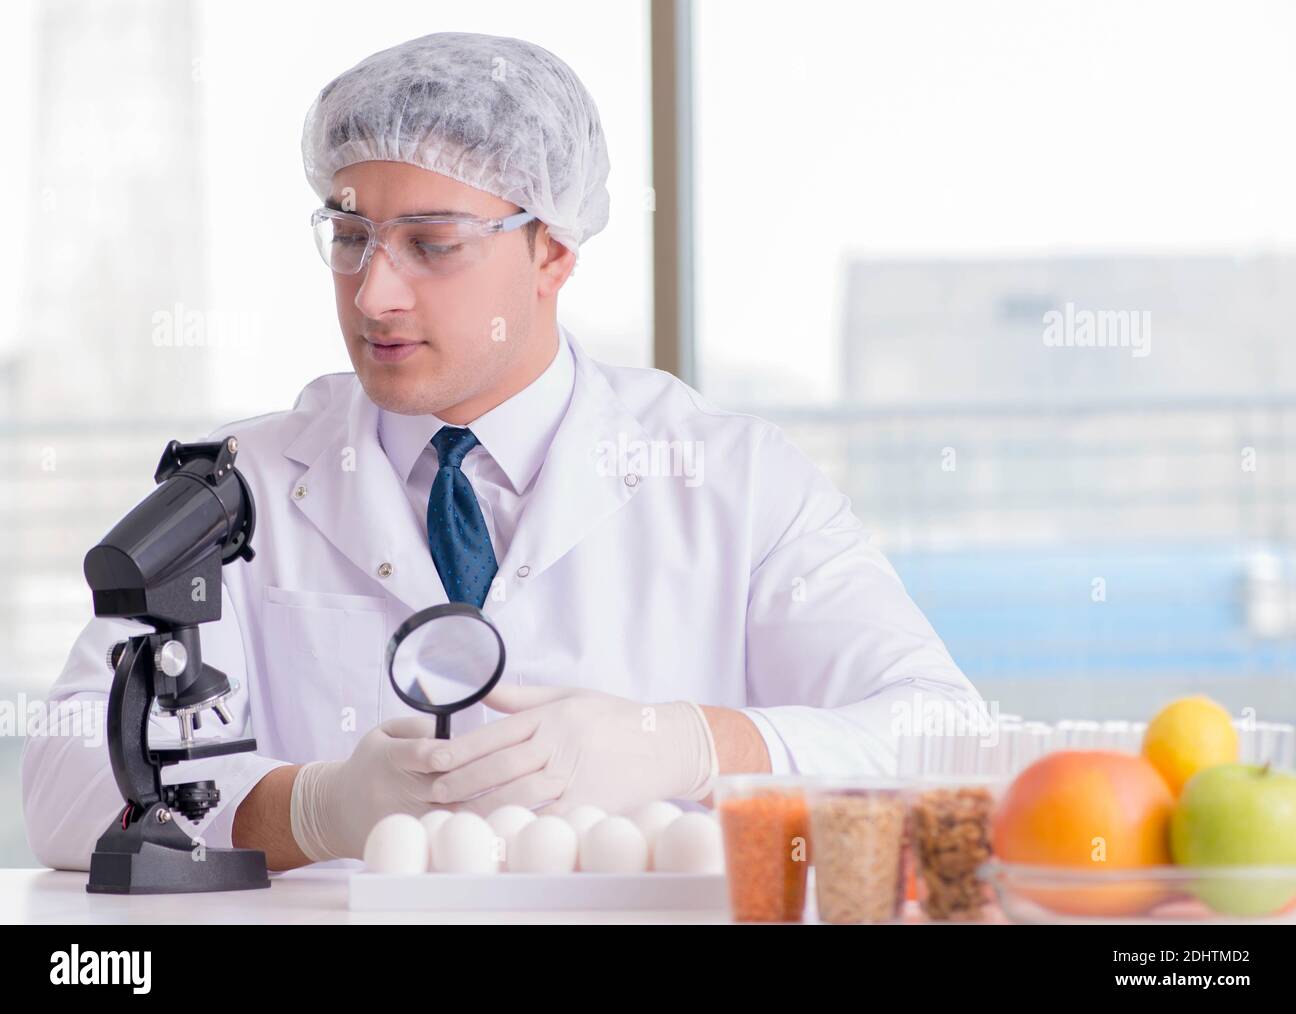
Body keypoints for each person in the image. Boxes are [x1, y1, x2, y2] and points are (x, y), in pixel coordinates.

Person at [22, 31, 985, 872]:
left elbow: (944, 735)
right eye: (351, 236)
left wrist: (693, 745)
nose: (373, 296)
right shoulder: (244, 485)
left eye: (431, 245)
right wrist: (309, 809)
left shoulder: (733, 481)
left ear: (553, 251)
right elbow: (65, 777)